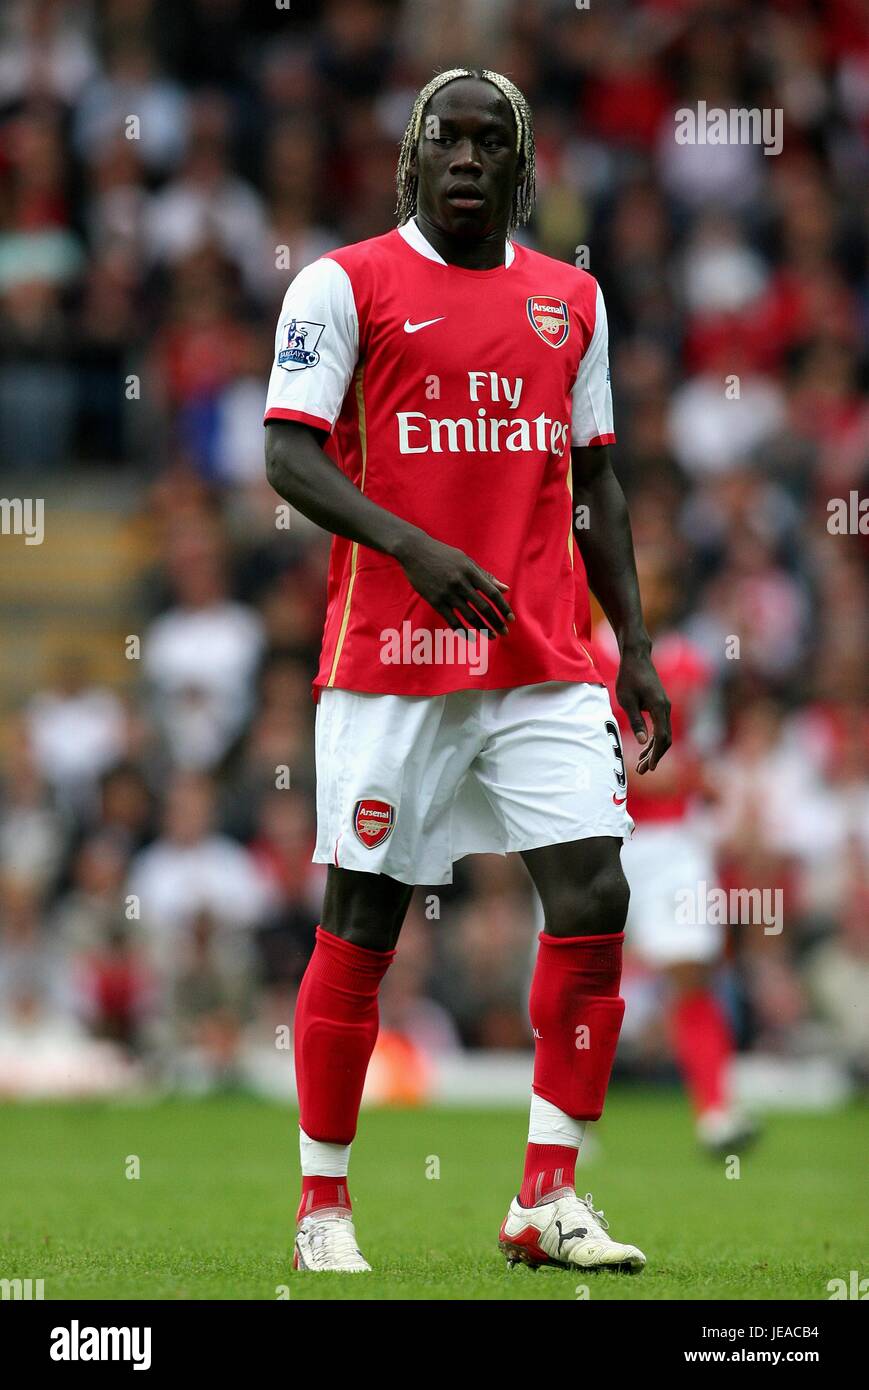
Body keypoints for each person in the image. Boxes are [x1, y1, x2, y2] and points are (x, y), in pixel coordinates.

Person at [264, 68, 671, 1274]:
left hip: (541, 655)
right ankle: (322, 1204)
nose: (463, 157)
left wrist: (632, 641)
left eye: (487, 142)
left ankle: (546, 1197)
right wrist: (409, 545)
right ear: (411, 157)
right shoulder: (343, 285)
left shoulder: (570, 302)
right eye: (443, 138)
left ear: (518, 163)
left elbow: (593, 479)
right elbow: (287, 457)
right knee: (363, 921)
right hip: (391, 658)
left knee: (594, 894)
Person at [593, 551, 758, 1153]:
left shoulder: (691, 662)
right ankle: (572, 1124)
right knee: (584, 980)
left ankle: (716, 1111)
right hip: (601, 837)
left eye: (657, 579)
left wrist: (687, 779)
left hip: (674, 843)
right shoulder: (583, 656)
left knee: (691, 971)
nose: (647, 590)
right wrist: (653, 777)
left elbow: (703, 756)